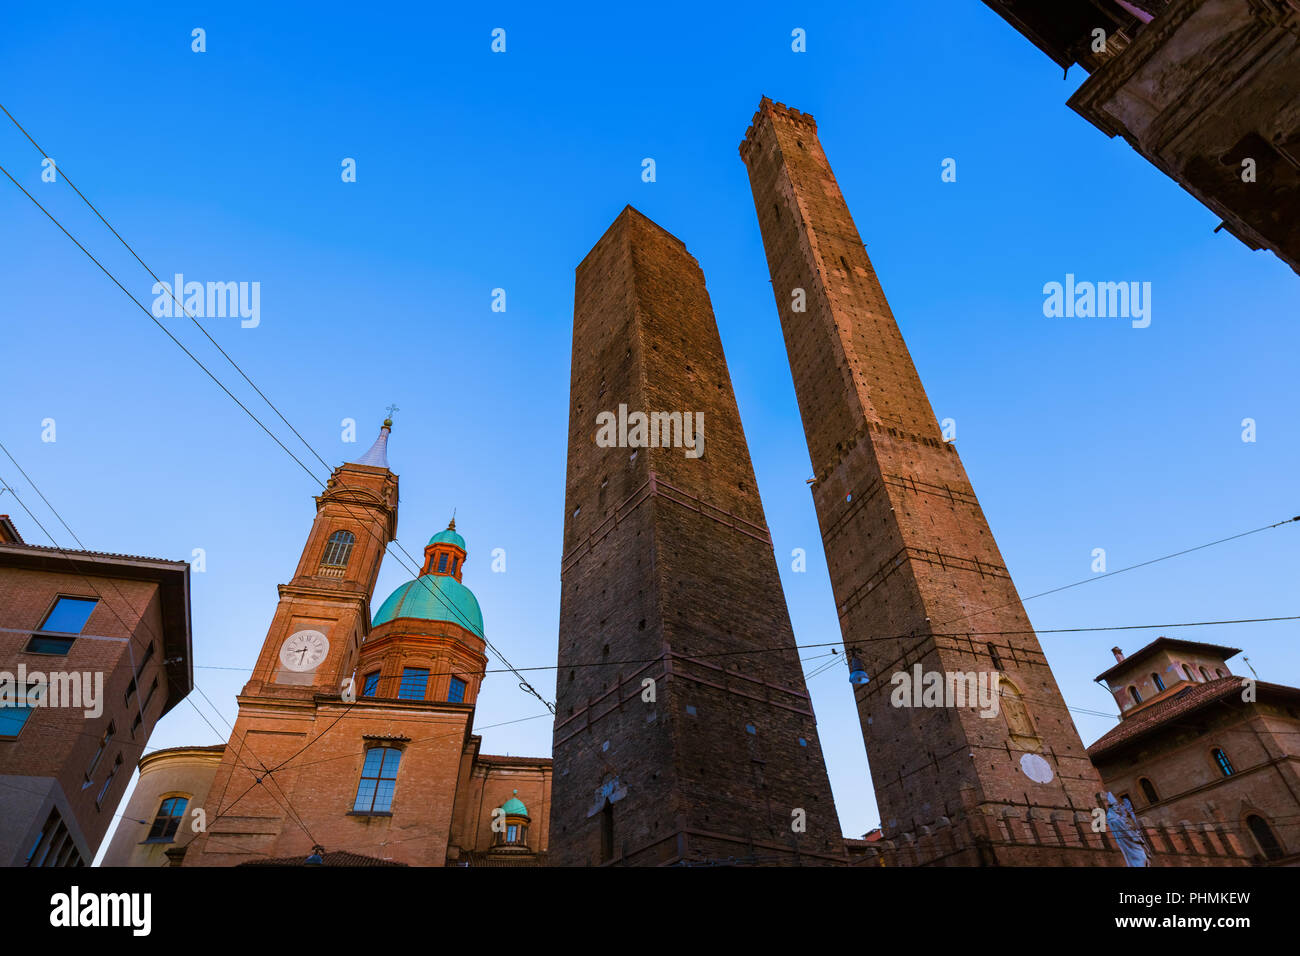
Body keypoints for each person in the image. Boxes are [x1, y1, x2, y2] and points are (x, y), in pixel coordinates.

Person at [1103, 791, 1149, 867]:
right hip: (1128, 843)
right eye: (1115, 806)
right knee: (1141, 857)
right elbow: (1126, 831)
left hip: (1130, 842)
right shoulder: (1113, 819)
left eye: (1117, 806)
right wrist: (1137, 837)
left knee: (1143, 857)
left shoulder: (1118, 817)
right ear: (1111, 807)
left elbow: (1126, 827)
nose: (1117, 808)